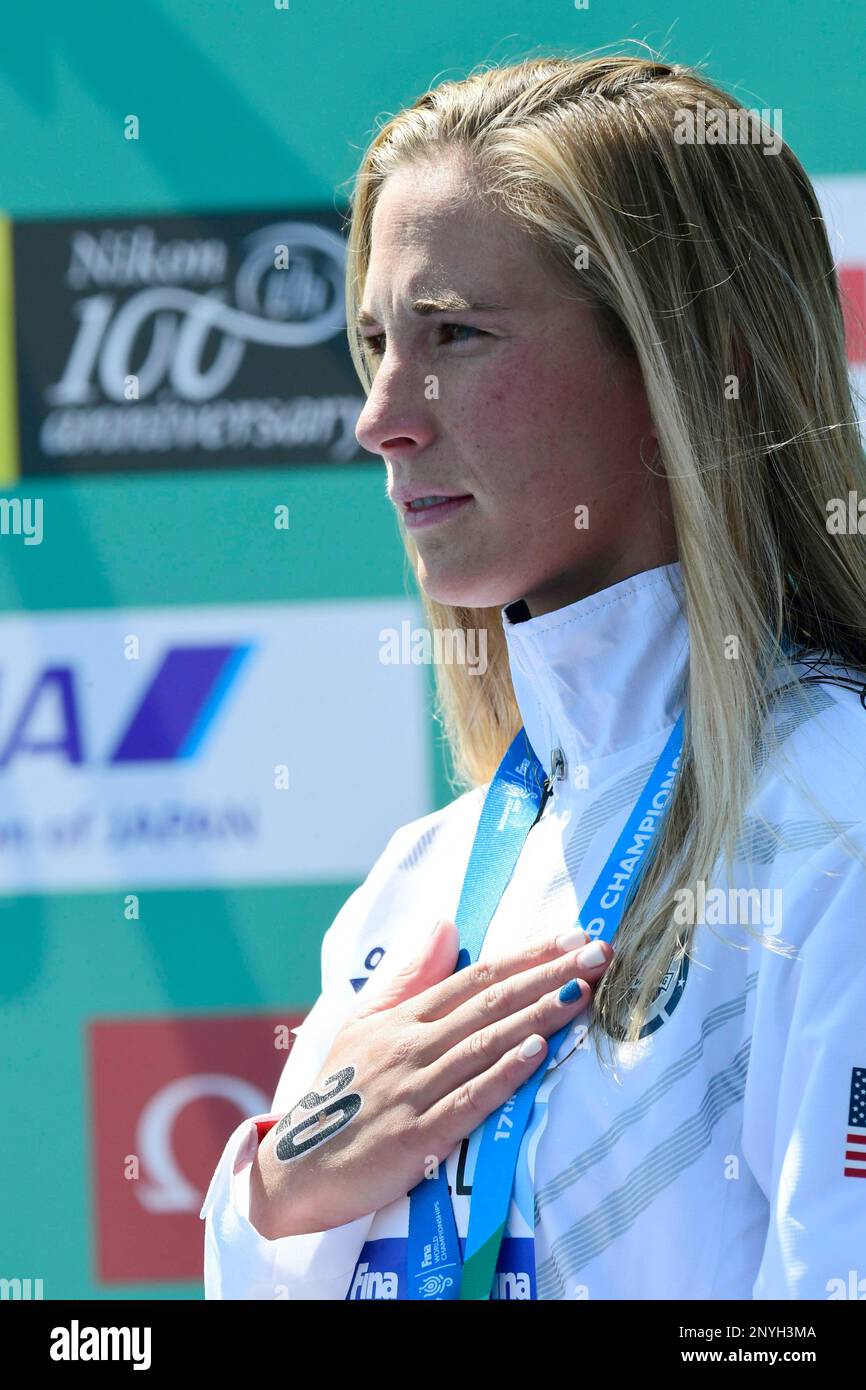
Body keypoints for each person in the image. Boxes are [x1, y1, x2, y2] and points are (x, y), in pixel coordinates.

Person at [201, 53, 866, 1300]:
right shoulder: (414, 888)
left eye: (454, 334)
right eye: (374, 342)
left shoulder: (836, 823)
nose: (381, 414)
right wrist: (279, 1197)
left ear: (685, 373)